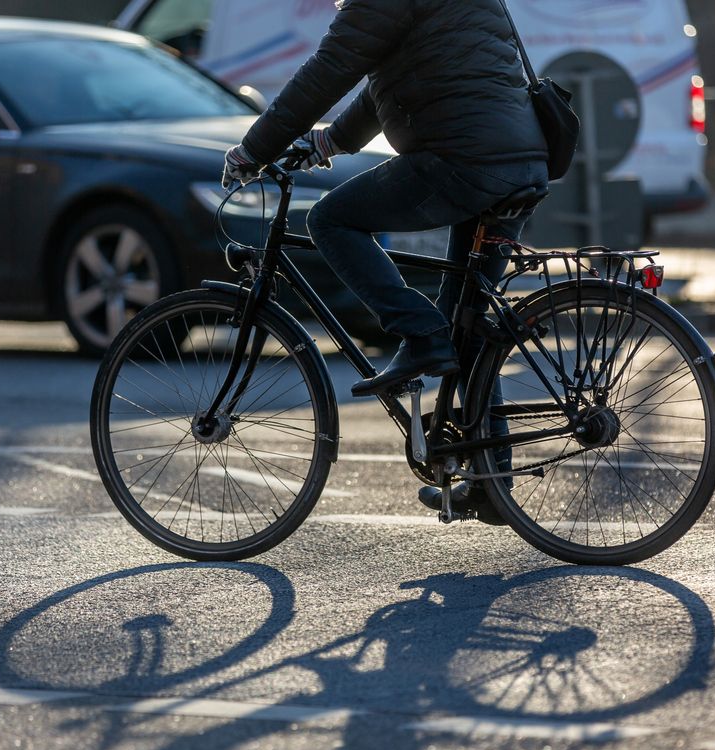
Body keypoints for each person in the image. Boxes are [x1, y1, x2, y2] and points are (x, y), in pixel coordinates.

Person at [223, 0, 550, 523]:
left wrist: (252, 149)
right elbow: (407, 71)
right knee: (465, 327)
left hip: (461, 160)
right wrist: (332, 140)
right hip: (520, 159)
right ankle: (493, 483)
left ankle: (419, 335)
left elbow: (330, 69)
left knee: (329, 220)